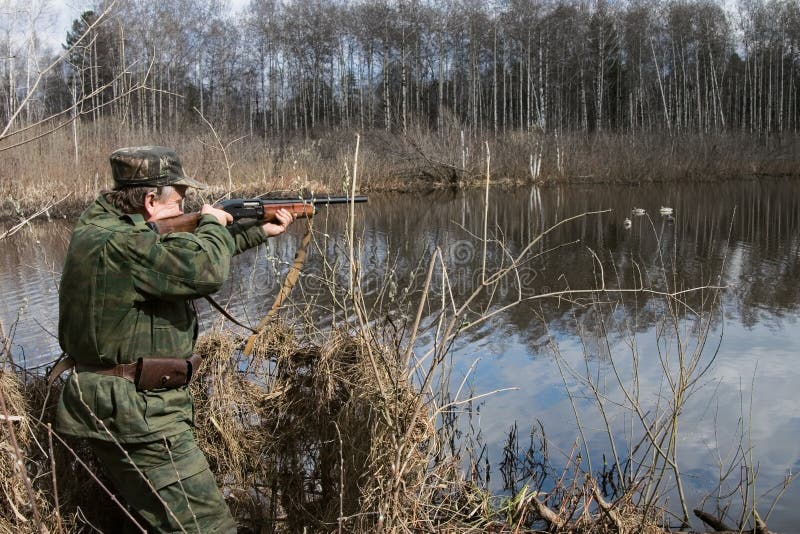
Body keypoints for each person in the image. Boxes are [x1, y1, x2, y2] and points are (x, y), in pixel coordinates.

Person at [54, 146, 294, 533]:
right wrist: (213, 222)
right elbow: (201, 269)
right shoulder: (125, 244)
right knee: (208, 528)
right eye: (179, 202)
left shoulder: (102, 229)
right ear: (151, 200)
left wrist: (255, 231)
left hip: (121, 405)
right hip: (140, 416)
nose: (186, 210)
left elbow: (173, 257)